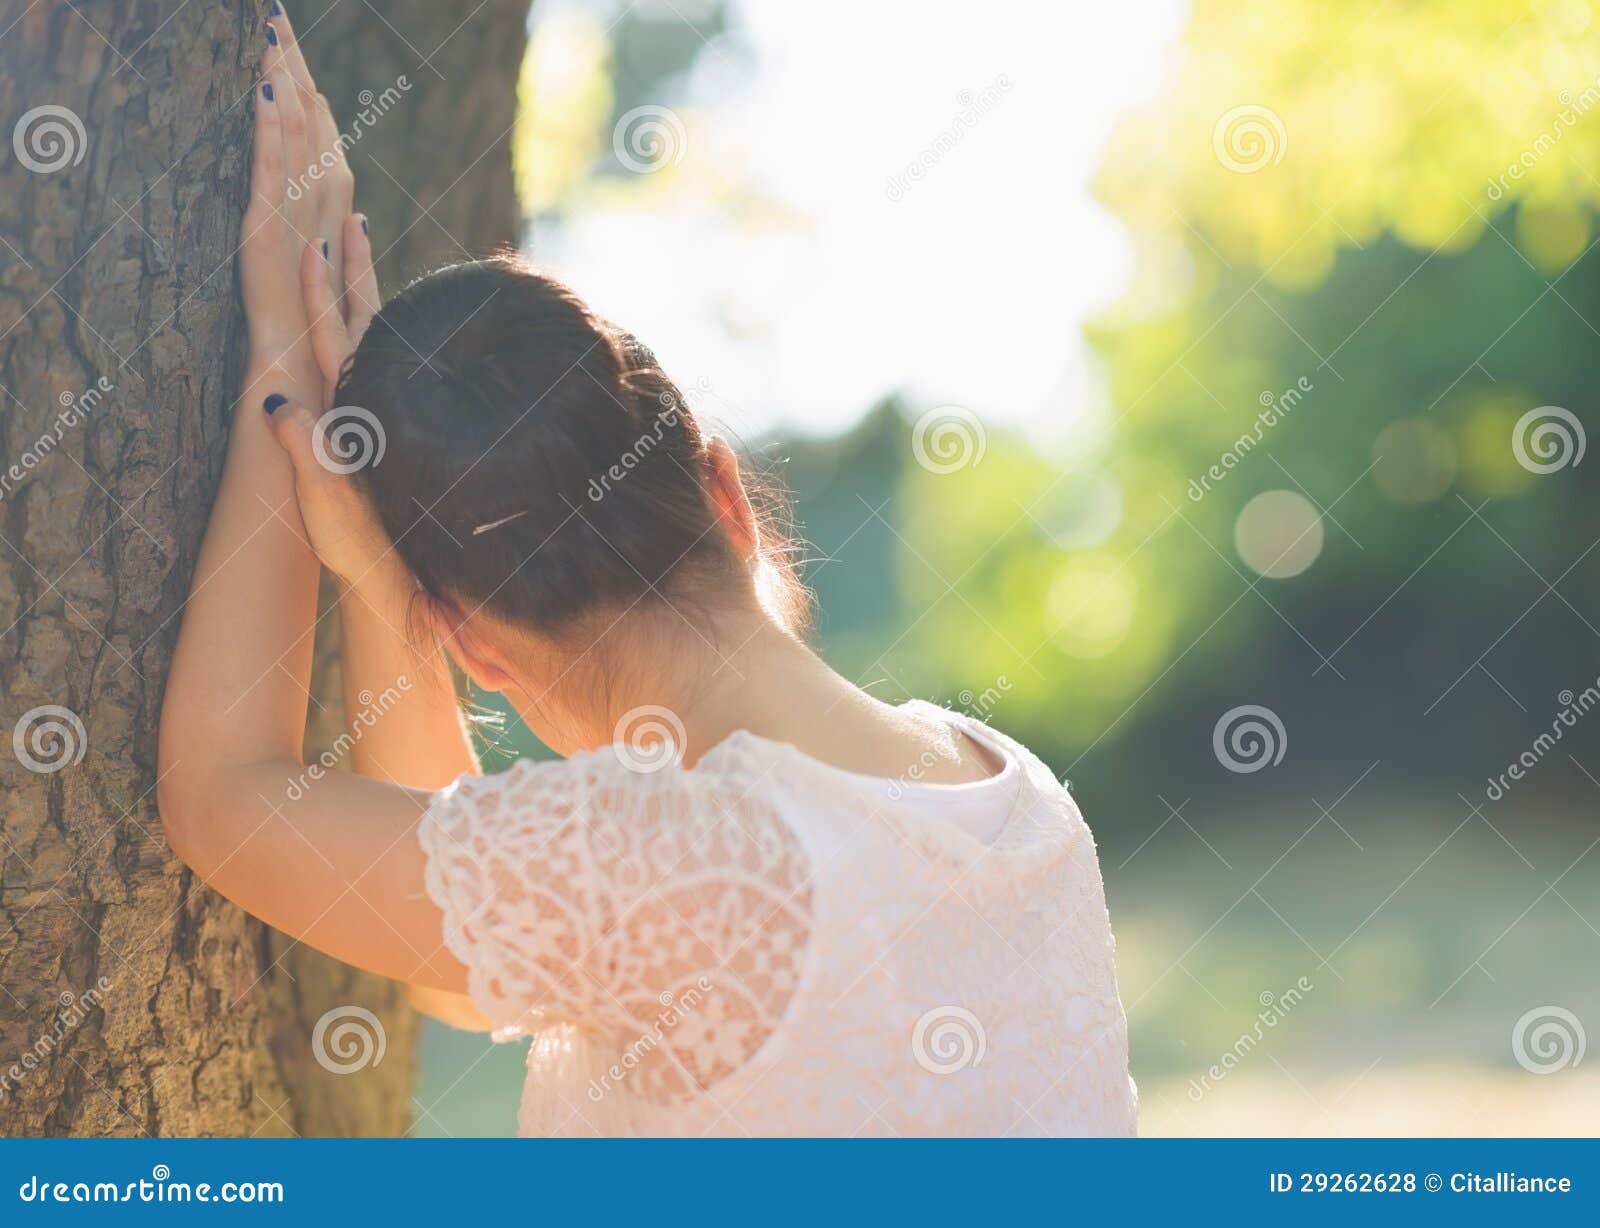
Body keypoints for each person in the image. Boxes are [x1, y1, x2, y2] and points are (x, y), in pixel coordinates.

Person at [157, 5, 1137, 1137]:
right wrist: (395, 595)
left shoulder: (681, 861)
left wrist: (278, 351)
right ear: (722, 489)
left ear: (469, 641)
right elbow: (456, 959)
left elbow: (224, 798)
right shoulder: (1017, 805)